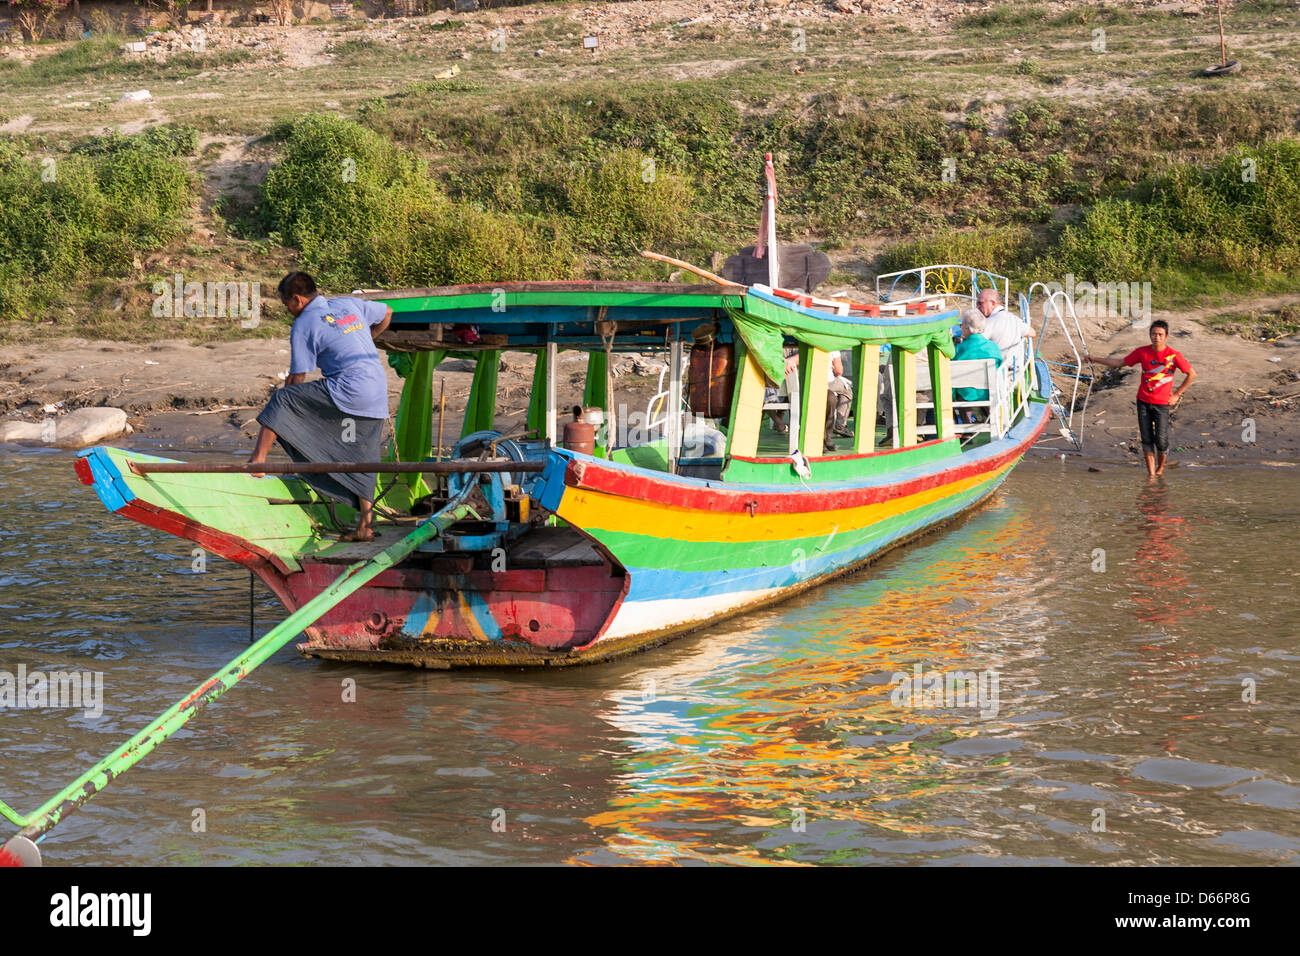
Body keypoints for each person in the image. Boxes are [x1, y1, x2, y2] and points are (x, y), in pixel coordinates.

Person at [249, 272, 393, 541]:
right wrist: (367, 341)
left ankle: (257, 462)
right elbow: (387, 311)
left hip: (349, 389)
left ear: (297, 299)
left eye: (286, 306)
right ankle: (365, 527)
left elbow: (297, 378)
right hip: (377, 391)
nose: (288, 311)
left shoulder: (305, 323)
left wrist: (283, 417)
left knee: (281, 399)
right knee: (364, 457)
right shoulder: (348, 304)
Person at [1086, 320, 1196, 479]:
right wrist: (1095, 359)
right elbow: (1118, 363)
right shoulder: (1142, 352)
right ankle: (1151, 475)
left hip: (1162, 404)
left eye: (1160, 335)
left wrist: (1177, 394)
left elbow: (1192, 374)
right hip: (1143, 401)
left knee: (1161, 440)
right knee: (1146, 439)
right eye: (1153, 334)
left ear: (1166, 336)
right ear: (1149, 335)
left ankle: (1160, 469)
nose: (1156, 337)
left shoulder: (1173, 355)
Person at [952, 308, 1003, 423]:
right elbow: (1000, 372)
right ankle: (994, 421)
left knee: (962, 389)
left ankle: (967, 427)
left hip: (967, 395)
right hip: (989, 392)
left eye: (961, 325)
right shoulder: (993, 347)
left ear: (966, 327)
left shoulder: (958, 349)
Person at [977, 288, 1033, 366]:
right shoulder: (1014, 318)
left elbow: (974, 342)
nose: (977, 307)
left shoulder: (989, 322)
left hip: (998, 371)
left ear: (993, 303)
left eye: (980, 303)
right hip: (1016, 369)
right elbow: (1032, 332)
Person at [824, 350, 853, 450]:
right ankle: (840, 424)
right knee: (847, 390)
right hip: (827, 382)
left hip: (805, 383)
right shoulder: (834, 347)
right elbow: (839, 371)